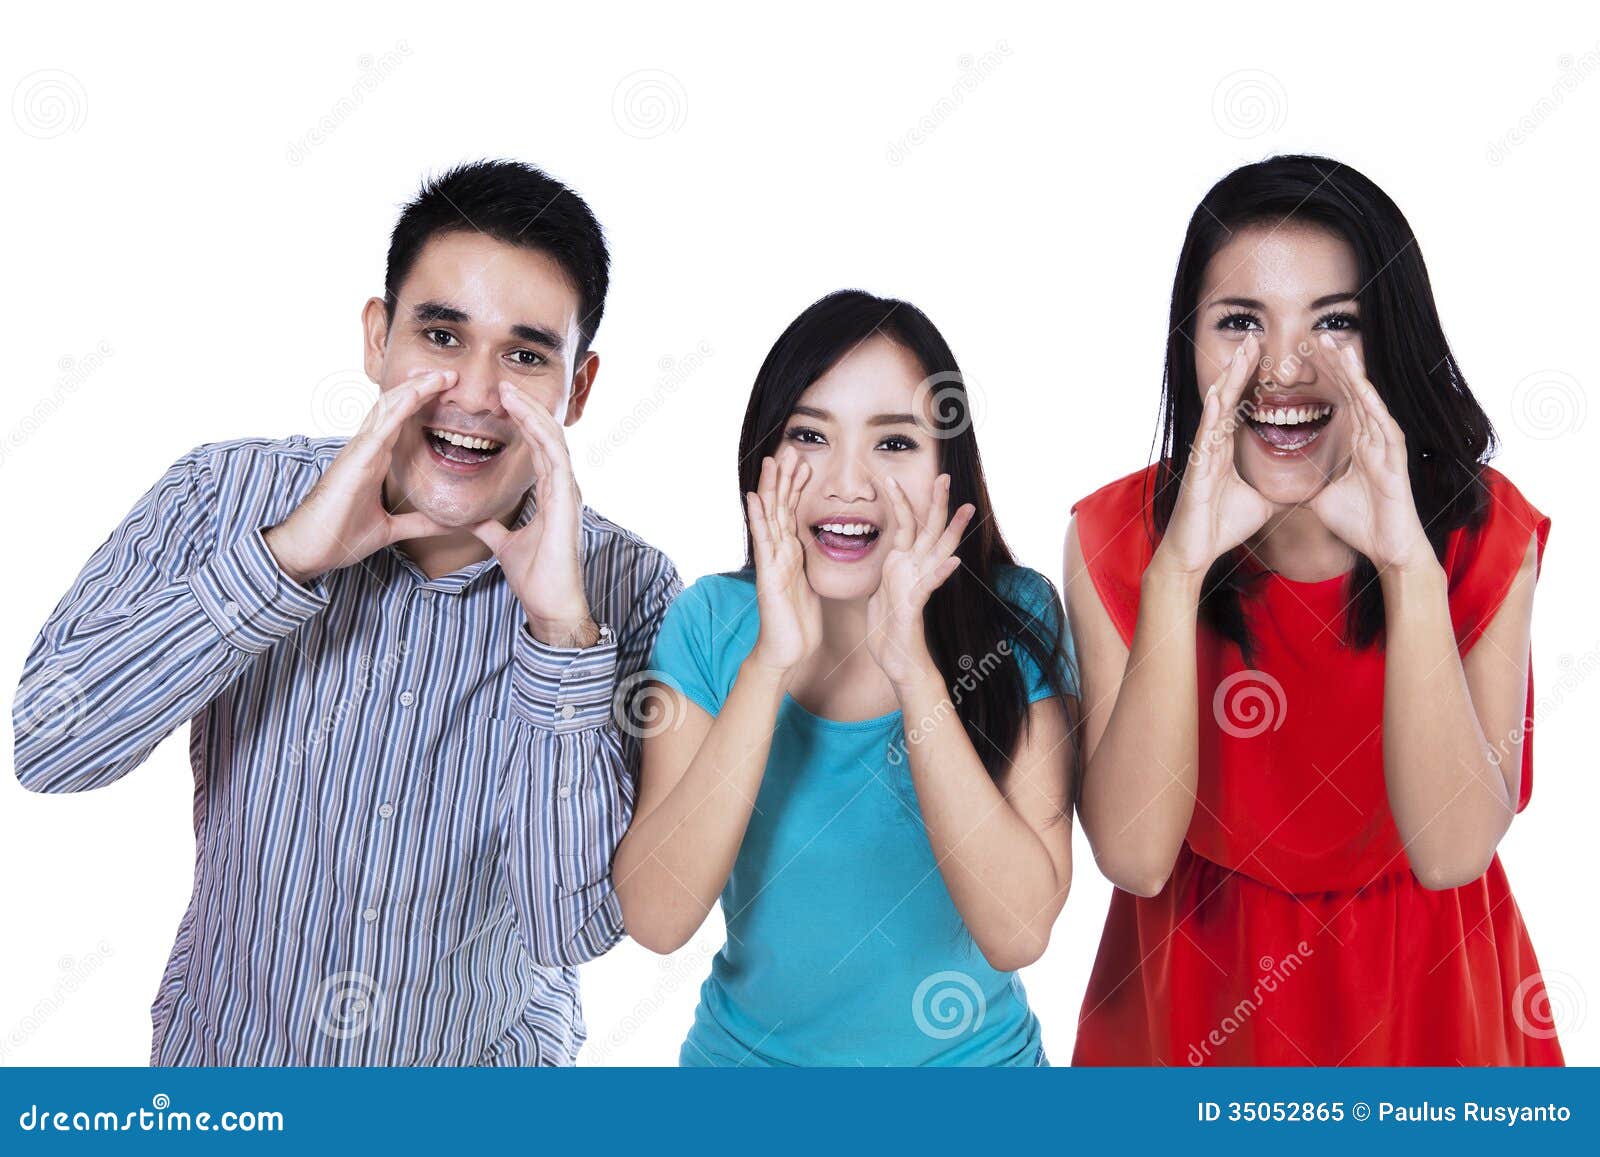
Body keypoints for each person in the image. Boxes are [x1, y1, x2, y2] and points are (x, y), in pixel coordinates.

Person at [12, 160, 680, 1066]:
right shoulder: (223, 494)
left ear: (581, 387)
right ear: (378, 337)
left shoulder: (631, 588)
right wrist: (286, 560)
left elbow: (575, 925)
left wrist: (562, 635)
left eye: (525, 355)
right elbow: (49, 748)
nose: (477, 394)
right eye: (441, 335)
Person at [1066, 155, 1563, 1065]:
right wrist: (1179, 569)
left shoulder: (1484, 535)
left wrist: (1407, 564)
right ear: (1189, 342)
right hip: (1194, 1002)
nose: (1285, 367)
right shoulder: (1116, 538)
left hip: (1430, 1005)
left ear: (1393, 340)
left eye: (1336, 322)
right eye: (1240, 323)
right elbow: (1135, 855)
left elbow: (1452, 850)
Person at [614, 290, 1079, 1066]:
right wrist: (770, 663)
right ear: (763, 457)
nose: (848, 482)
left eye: (893, 443)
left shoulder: (1016, 616)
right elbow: (657, 919)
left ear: (946, 467)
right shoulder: (709, 623)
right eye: (809, 436)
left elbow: (1018, 930)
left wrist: (913, 668)